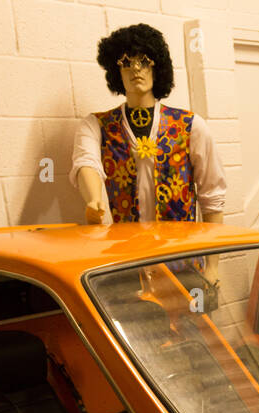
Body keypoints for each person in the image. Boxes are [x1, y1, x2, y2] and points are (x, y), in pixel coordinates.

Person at [70, 25, 226, 295]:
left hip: (184, 266)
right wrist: (94, 199)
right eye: (126, 62)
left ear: (158, 67)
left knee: (194, 334)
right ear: (115, 71)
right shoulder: (96, 125)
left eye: (144, 61)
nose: (135, 69)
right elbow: (87, 162)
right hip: (123, 267)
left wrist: (213, 266)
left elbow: (212, 196)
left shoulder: (191, 126)